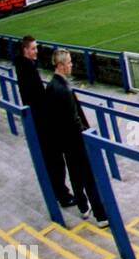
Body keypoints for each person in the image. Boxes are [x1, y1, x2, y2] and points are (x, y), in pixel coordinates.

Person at [45, 49, 108, 226]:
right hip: (75, 141)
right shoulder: (63, 89)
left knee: (75, 174)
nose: (71, 65)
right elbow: (73, 120)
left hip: (64, 141)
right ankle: (101, 215)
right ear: (61, 65)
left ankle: (83, 206)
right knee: (89, 177)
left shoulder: (51, 85)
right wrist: (85, 136)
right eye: (69, 62)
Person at [12, 36, 74, 206]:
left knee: (54, 161)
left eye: (36, 48)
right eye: (33, 48)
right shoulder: (28, 69)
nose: (36, 51)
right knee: (55, 161)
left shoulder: (24, 66)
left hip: (39, 121)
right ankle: (62, 195)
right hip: (42, 123)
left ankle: (59, 192)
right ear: (25, 50)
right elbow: (37, 99)